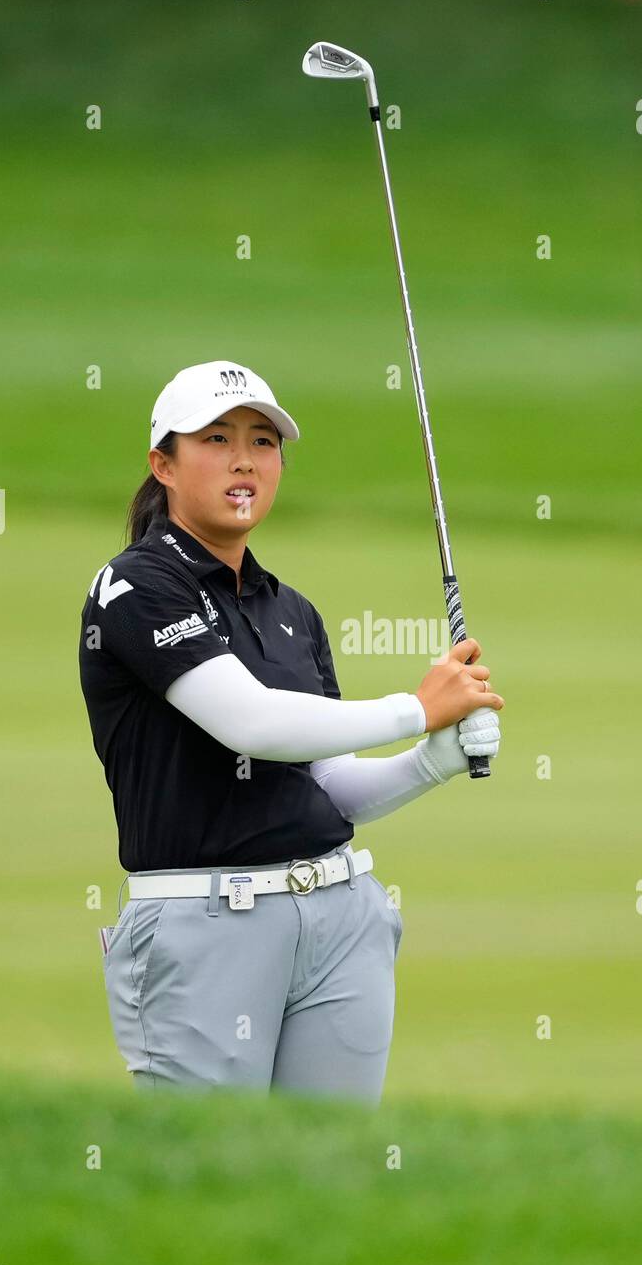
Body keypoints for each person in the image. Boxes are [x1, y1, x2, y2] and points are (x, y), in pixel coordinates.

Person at [79, 360, 504, 1105]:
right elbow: (251, 723)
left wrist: (429, 760)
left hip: (340, 918)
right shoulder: (135, 586)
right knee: (211, 1184)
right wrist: (418, 708)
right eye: (216, 438)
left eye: (263, 441)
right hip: (204, 925)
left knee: (332, 1181)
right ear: (163, 465)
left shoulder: (291, 611)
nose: (245, 459)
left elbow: (330, 785)